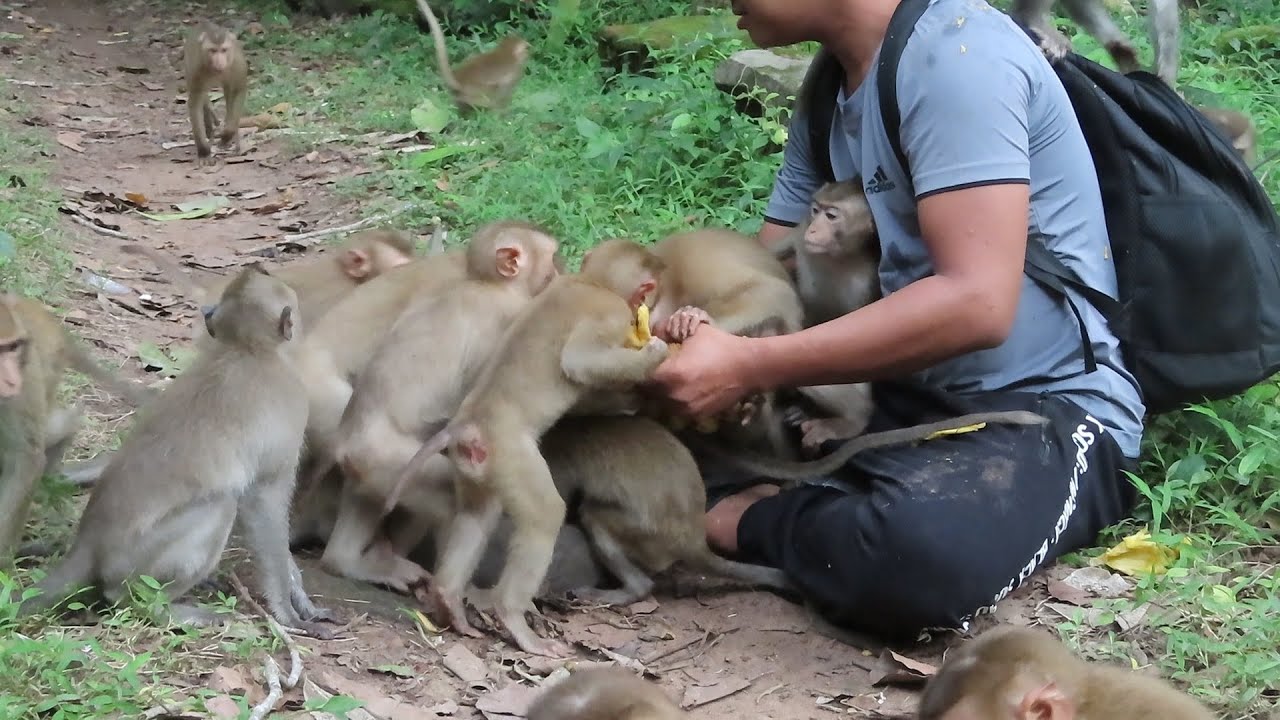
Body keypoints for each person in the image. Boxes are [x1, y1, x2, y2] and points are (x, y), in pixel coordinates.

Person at [649, 0, 1146, 640]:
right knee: (621, 423)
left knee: (919, 553)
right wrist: (691, 337)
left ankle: (744, 521)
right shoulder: (831, 83)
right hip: (886, 395)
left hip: (1040, 407)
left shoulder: (958, 56)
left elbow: (977, 305)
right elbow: (769, 274)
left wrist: (747, 364)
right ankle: (817, 499)